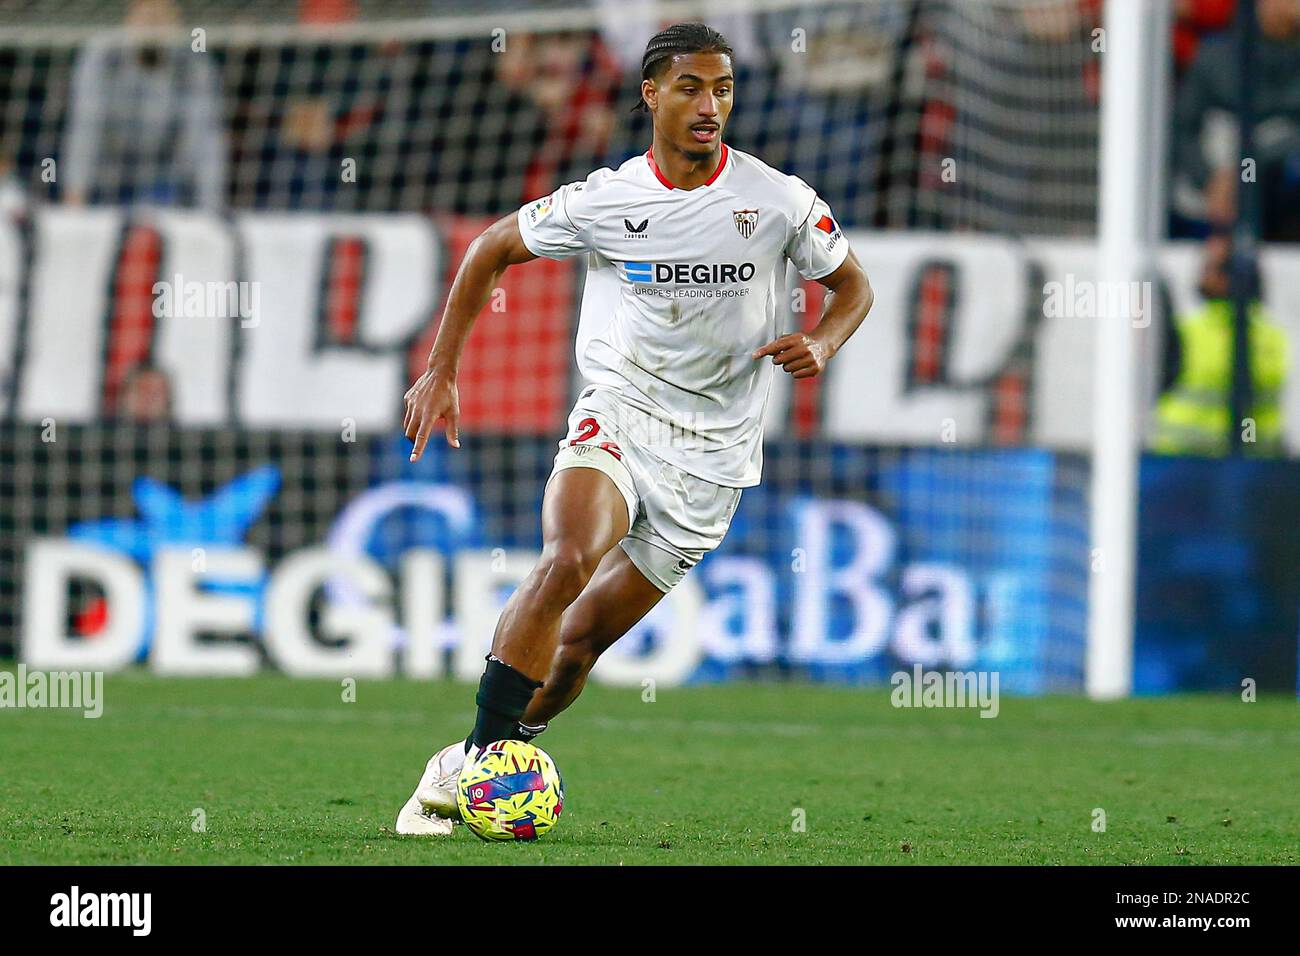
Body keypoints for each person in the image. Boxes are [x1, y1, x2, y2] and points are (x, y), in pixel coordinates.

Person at [395, 22, 874, 835]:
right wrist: (441, 370)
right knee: (567, 558)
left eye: (722, 88)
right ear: (651, 94)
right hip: (619, 410)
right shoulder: (606, 199)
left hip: (715, 456)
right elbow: (488, 250)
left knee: (577, 647)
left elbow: (855, 286)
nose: (709, 104)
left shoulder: (777, 199)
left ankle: (463, 762)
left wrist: (823, 341)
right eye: (691, 86)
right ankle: (484, 764)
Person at [1151, 232, 1288, 455]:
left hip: (1182, 464)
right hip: (1253, 468)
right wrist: (1248, 445)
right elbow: (1250, 414)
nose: (1201, 274)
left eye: (1209, 267)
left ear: (1230, 278)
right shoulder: (1273, 335)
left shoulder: (1191, 331)